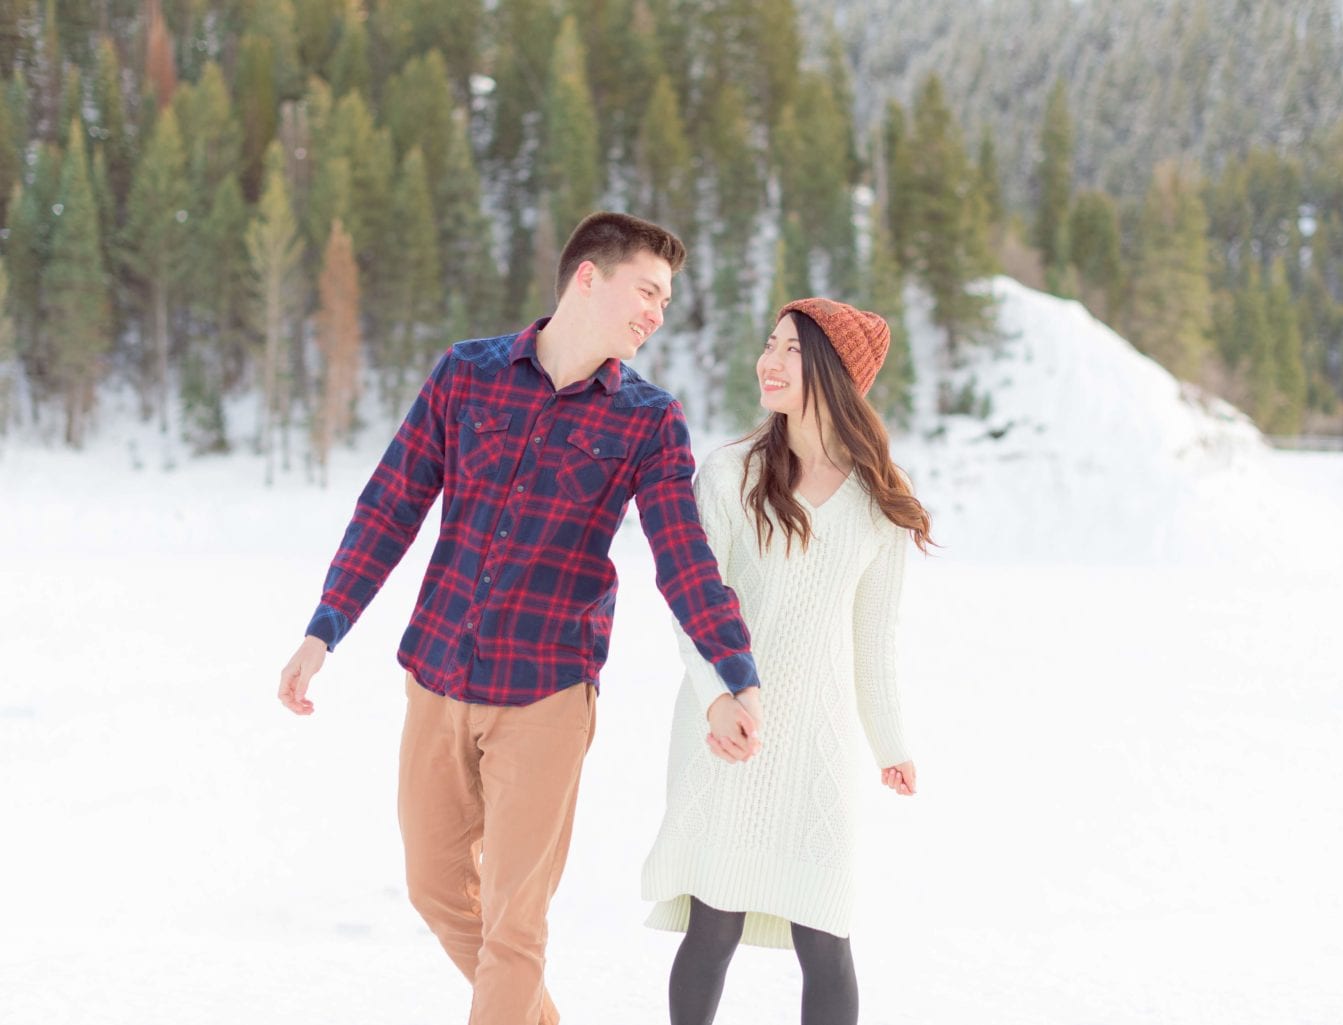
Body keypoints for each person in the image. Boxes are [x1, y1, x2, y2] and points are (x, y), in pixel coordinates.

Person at [276, 211, 765, 1025]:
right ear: (587, 277)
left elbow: (683, 559)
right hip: (437, 673)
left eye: (667, 302)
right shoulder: (466, 375)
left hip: (545, 695)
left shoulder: (648, 419)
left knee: (514, 926)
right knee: (435, 888)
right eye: (647, 291)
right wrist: (324, 626)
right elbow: (391, 503)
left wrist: (734, 672)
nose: (657, 313)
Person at [641, 298, 932, 1025]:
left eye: (790, 351)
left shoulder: (878, 502)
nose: (768, 362)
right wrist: (719, 697)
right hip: (729, 733)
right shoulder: (731, 475)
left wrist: (889, 741)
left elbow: (875, 636)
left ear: (832, 372)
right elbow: (693, 601)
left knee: (827, 932)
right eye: (768, 344)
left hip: (819, 740)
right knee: (714, 923)